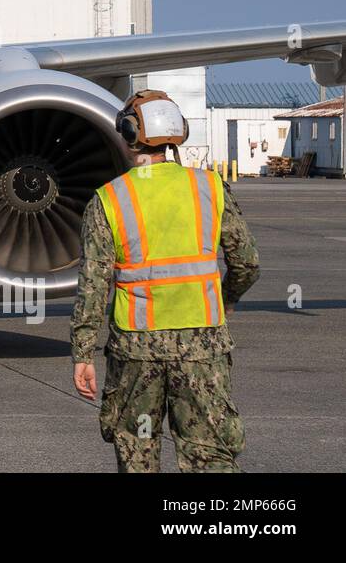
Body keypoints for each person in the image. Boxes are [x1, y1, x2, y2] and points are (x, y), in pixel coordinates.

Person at [71, 89, 260, 472]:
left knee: (137, 451)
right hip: (202, 346)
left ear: (128, 133)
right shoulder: (209, 187)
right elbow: (247, 263)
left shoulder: (109, 199)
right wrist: (226, 299)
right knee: (210, 454)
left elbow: (93, 285)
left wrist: (83, 353)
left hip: (136, 351)